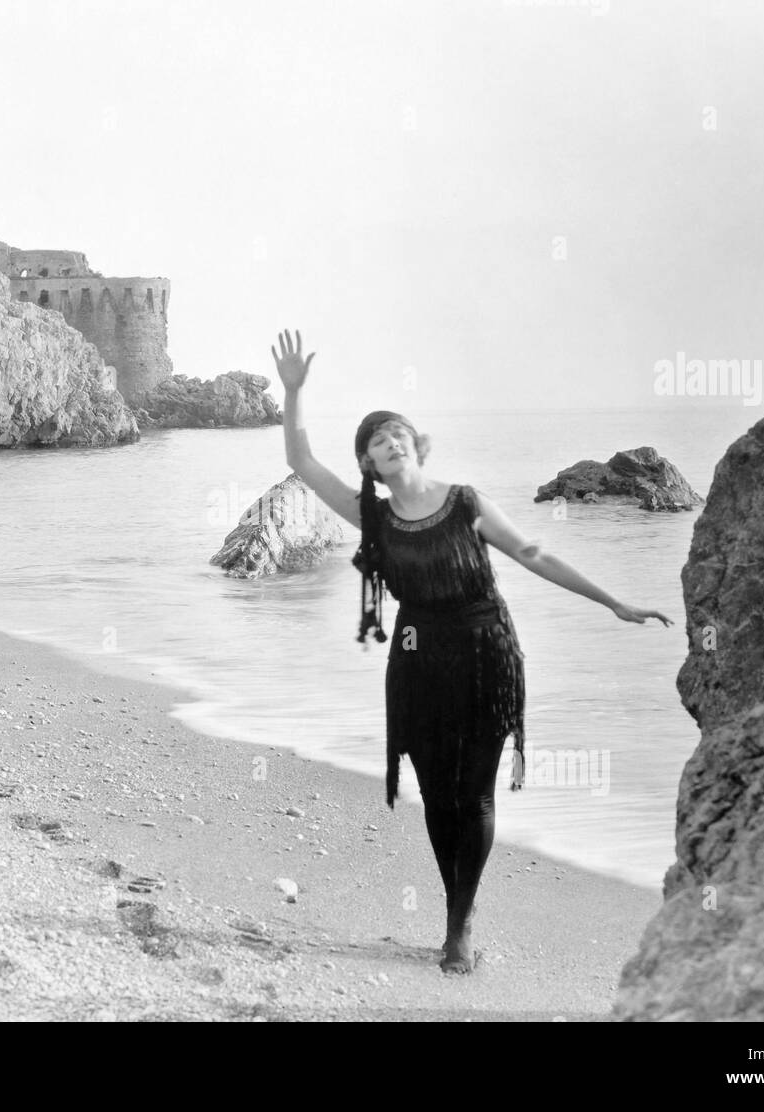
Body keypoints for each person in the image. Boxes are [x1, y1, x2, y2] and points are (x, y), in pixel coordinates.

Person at [271, 328, 672, 974]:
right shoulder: (372, 516)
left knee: (477, 794)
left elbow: (533, 553)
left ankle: (460, 924)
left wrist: (613, 602)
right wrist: (294, 394)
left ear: (415, 444)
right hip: (418, 661)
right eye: (377, 440)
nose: (390, 442)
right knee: (438, 796)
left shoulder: (466, 503)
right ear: (370, 465)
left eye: (397, 431)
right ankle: (454, 910)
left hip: (487, 653)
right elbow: (302, 462)